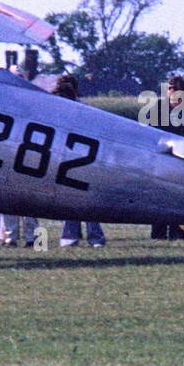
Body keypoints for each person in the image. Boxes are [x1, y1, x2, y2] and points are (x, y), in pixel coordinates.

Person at [52, 75, 106, 248]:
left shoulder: (72, 109)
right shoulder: (84, 108)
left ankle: (78, 237)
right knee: (79, 200)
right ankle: (90, 237)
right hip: (76, 160)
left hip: (79, 160)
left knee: (77, 200)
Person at [151, 75, 184, 240]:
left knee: (180, 199)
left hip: (181, 160)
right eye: (170, 88)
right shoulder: (158, 108)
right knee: (158, 198)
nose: (172, 92)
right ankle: (158, 234)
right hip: (161, 159)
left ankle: (179, 233)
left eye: (176, 89)